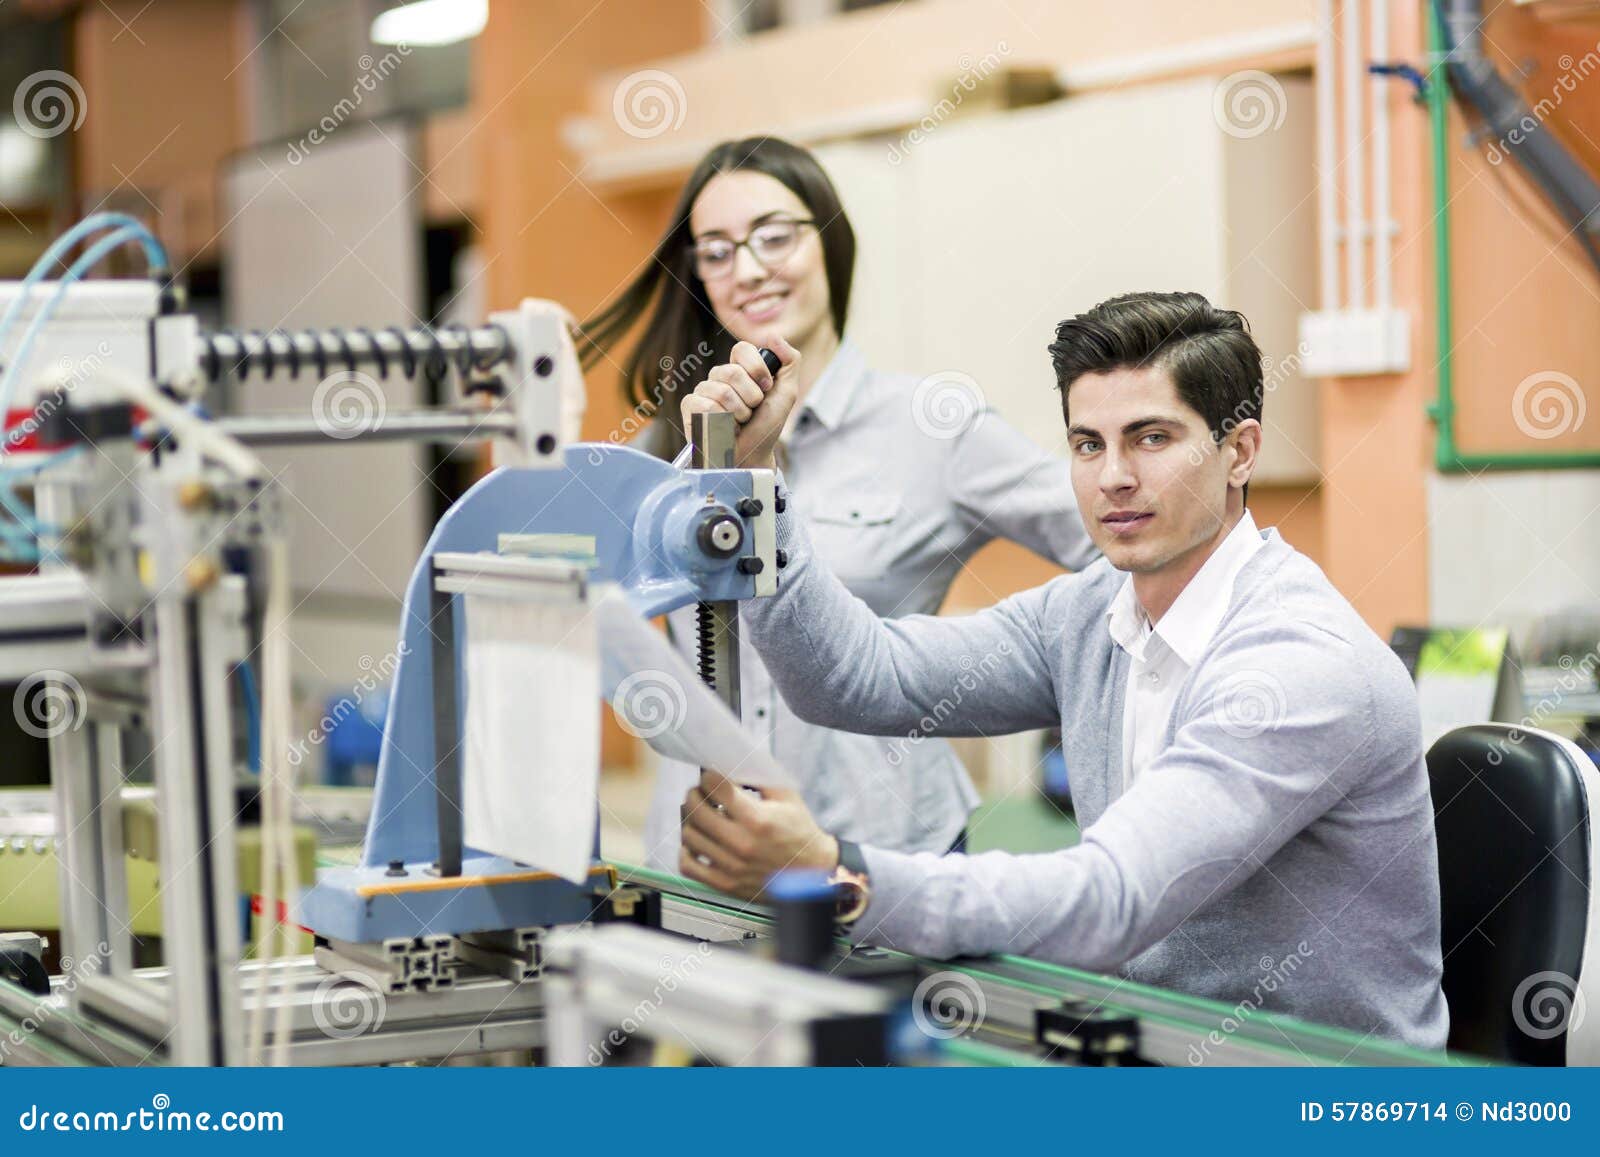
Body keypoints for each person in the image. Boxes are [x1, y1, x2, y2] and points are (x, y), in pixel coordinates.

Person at [672, 291, 1448, 1049]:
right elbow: (856, 677)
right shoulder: (1088, 613)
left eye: (1151, 438)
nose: (1113, 476)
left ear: (1239, 451)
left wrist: (834, 872)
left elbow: (1111, 899)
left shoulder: (1298, 665)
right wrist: (752, 480)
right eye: (1088, 444)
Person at [578, 137, 1099, 869]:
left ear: (829, 243)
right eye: (717, 250)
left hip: (879, 854)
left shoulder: (930, 425)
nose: (749, 268)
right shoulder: (689, 445)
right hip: (702, 850)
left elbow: (1118, 536)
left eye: (775, 236)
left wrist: (1045, 674)